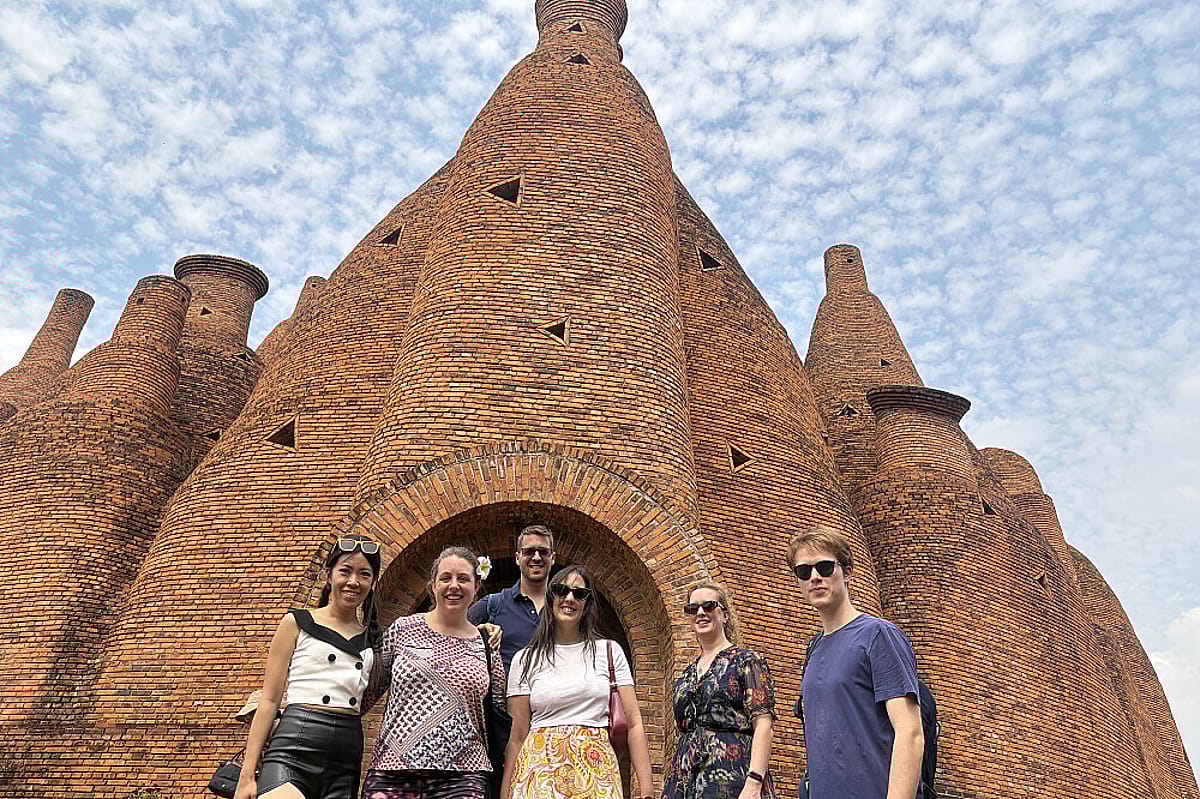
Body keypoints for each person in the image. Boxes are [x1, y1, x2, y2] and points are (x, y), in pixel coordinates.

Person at [235, 535, 381, 799]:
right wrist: (246, 775)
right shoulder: (297, 623)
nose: (353, 582)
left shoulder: (372, 639)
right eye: (345, 571)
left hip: (346, 756)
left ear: (372, 584)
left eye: (364, 574)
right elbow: (269, 700)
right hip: (295, 743)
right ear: (329, 576)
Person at [360, 546, 507, 799]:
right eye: (446, 578)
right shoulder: (403, 629)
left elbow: (500, 705)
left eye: (463, 579)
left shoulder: (485, 643)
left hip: (463, 776)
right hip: (393, 771)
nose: (454, 586)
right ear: (433, 585)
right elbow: (366, 692)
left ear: (476, 588)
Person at [790, 526, 924, 799]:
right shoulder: (814, 649)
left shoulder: (877, 635)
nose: (815, 577)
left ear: (847, 572)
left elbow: (910, 732)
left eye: (825, 567)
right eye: (804, 572)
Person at [502, 565, 654, 799]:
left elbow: (634, 723)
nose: (570, 598)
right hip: (538, 774)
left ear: (586, 603)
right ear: (551, 597)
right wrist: (505, 793)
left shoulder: (609, 651)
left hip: (596, 772)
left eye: (579, 593)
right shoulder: (526, 659)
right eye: (562, 590)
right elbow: (518, 735)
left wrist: (646, 790)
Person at [662, 582, 776, 799]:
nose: (701, 612)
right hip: (684, 781)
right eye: (693, 609)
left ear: (724, 614)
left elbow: (763, 723)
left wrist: (754, 782)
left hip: (733, 777)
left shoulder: (747, 661)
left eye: (709, 605)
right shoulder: (686, 675)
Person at [469, 524, 557, 672]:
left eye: (543, 551)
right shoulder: (494, 604)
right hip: (507, 694)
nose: (536, 557)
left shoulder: (564, 607)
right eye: (529, 551)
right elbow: (452, 635)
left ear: (553, 558)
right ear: (517, 557)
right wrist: (478, 632)